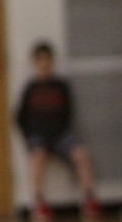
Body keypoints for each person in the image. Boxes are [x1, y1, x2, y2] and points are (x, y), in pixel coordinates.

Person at [15, 41, 101, 221]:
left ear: (52, 61)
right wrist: (29, 137)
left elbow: (69, 112)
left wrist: (62, 132)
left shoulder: (61, 86)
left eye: (47, 59)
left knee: (81, 153)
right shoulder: (30, 88)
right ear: (35, 62)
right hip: (38, 137)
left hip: (60, 136)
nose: (44, 63)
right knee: (37, 156)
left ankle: (88, 198)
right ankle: (39, 202)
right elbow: (19, 117)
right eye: (40, 59)